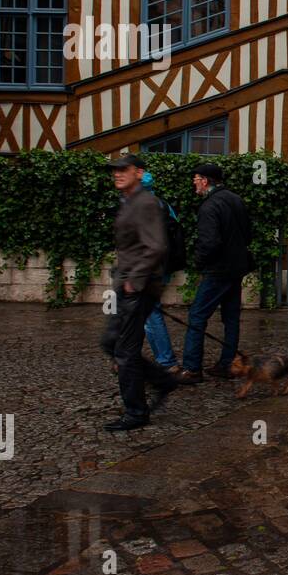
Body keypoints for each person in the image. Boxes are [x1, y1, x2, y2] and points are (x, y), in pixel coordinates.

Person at [100, 154, 178, 431]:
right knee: (111, 343)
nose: (117, 174)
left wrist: (135, 277)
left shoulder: (145, 203)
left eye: (124, 169)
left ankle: (136, 412)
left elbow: (156, 247)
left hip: (138, 287)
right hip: (128, 285)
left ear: (139, 172)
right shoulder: (129, 201)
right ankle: (163, 380)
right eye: (115, 170)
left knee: (124, 350)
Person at [181, 163, 252, 382]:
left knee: (197, 316)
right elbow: (248, 234)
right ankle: (228, 364)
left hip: (217, 270)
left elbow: (209, 243)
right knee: (231, 317)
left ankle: (192, 368)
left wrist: (199, 263)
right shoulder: (236, 200)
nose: (194, 183)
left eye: (196, 179)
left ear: (205, 180)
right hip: (237, 268)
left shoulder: (209, 206)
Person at [141, 170, 184, 381]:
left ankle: (167, 361)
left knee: (151, 314)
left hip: (150, 269)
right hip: (162, 267)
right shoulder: (162, 204)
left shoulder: (145, 207)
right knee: (147, 313)